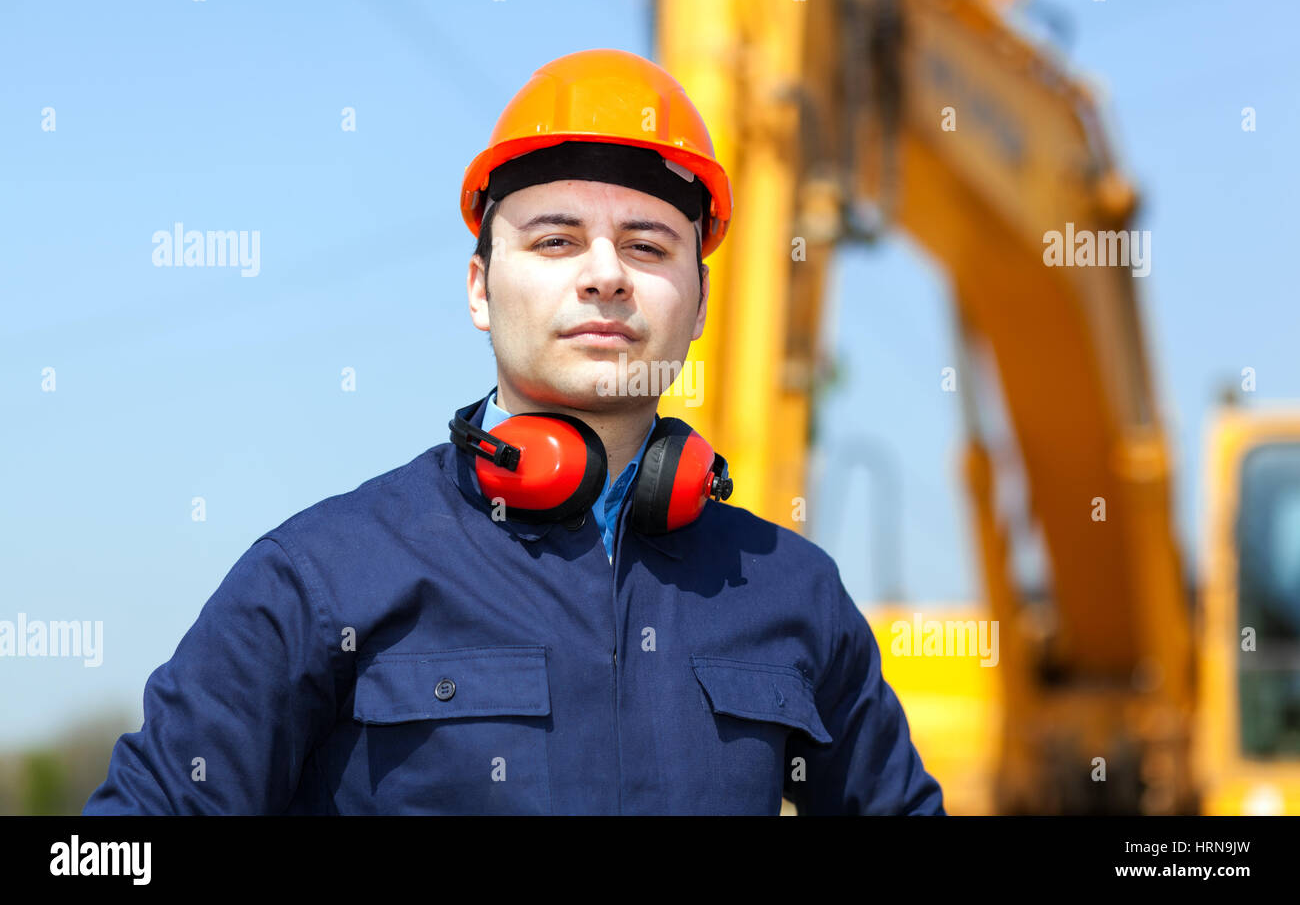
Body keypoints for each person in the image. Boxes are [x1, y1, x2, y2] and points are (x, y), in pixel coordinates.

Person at [84, 48, 945, 815]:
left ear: (701, 304)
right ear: (478, 288)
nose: (605, 274)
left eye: (647, 247)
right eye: (556, 241)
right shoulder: (322, 579)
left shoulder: (790, 592)